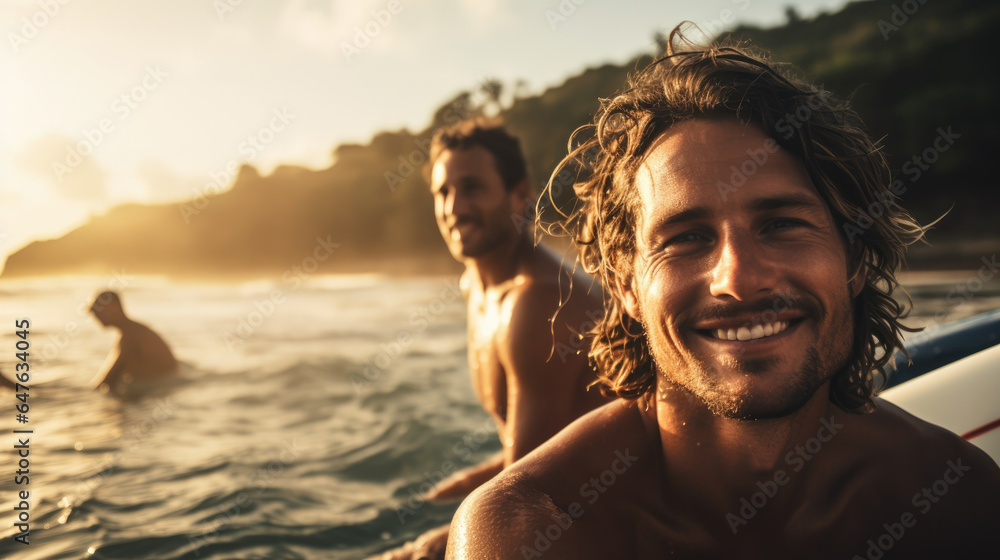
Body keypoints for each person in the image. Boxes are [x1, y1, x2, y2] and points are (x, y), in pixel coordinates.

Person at [446, 28, 1000, 559]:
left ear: (855, 257)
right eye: (686, 238)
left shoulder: (951, 498)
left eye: (781, 224)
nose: (738, 278)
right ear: (625, 285)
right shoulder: (533, 530)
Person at [369, 122, 611, 559]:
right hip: (550, 488)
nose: (454, 207)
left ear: (519, 194)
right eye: (443, 192)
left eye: (472, 188)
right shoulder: (475, 287)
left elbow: (528, 491)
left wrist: (422, 548)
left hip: (605, 517)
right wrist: (473, 481)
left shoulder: (539, 300)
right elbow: (544, 445)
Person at [87, 290, 178, 394]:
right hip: (164, 386)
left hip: (159, 390)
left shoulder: (130, 337)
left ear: (112, 308)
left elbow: (107, 382)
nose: (94, 315)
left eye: (96, 309)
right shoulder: (134, 330)